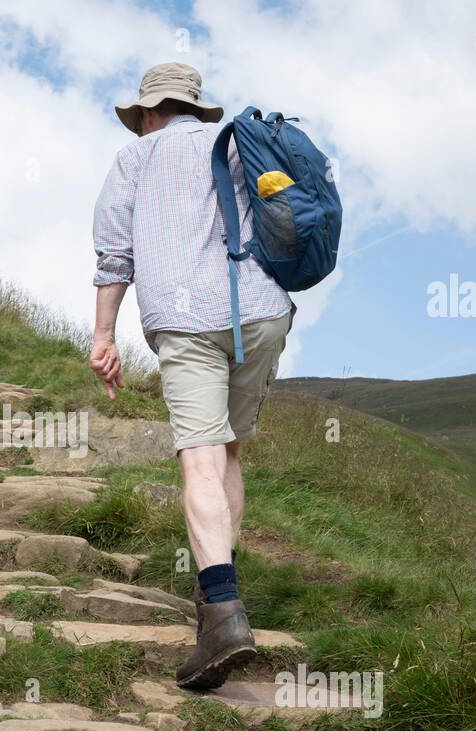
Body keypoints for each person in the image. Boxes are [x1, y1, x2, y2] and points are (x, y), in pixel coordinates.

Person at [90, 62, 295, 690]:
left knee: (199, 460)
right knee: (229, 449)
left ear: (149, 112)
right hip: (261, 313)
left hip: (185, 321)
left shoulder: (136, 158)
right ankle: (220, 591)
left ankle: (223, 614)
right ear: (195, 107)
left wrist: (104, 337)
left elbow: (114, 256)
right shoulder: (235, 142)